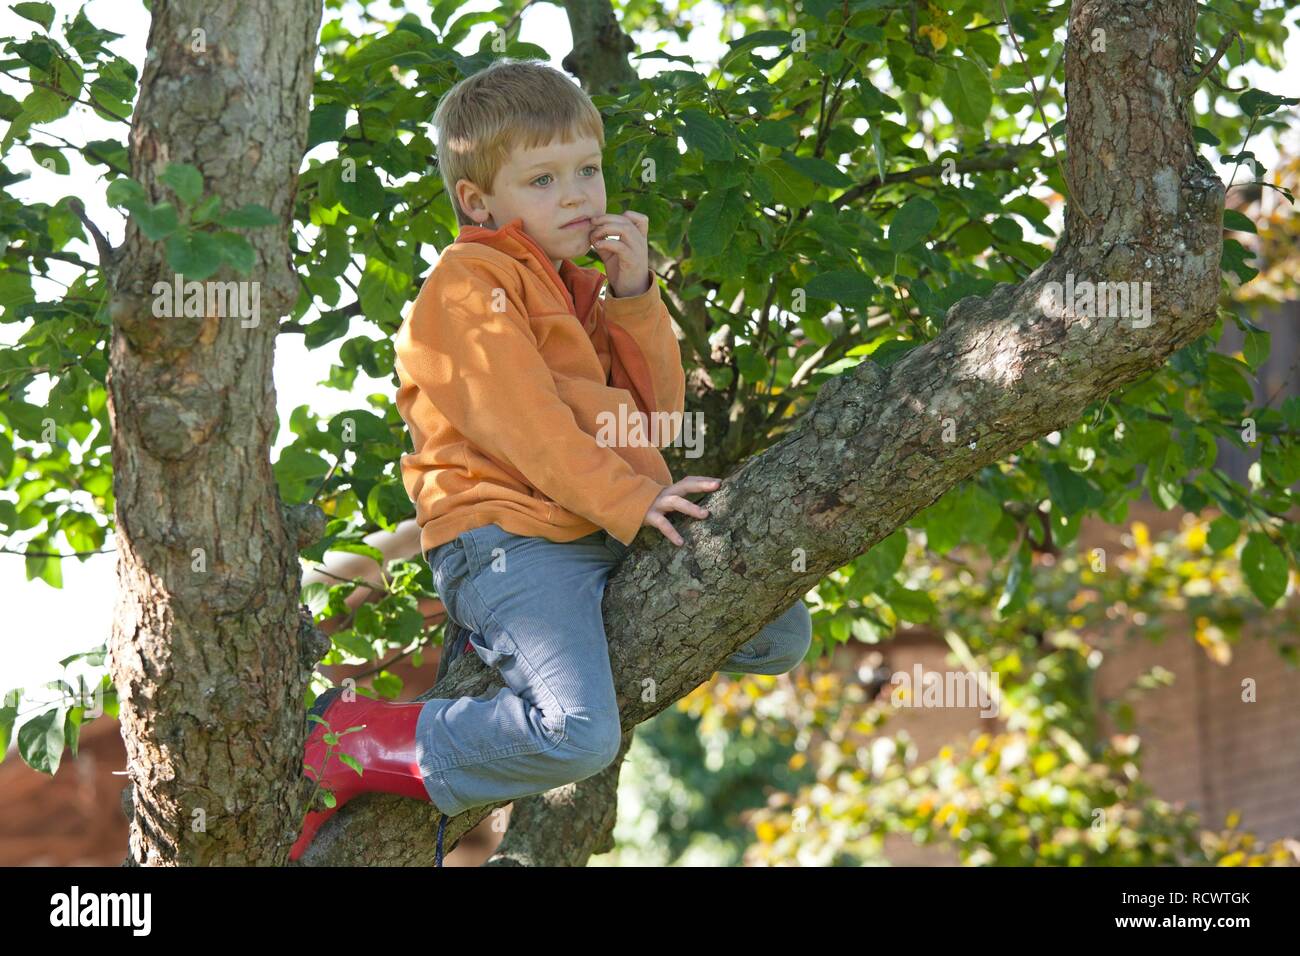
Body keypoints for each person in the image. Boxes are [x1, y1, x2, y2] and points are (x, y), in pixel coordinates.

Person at [289, 58, 812, 864]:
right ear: (478, 200)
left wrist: (634, 294)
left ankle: (575, 651)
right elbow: (527, 428)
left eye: (588, 170)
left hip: (597, 515)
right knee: (576, 737)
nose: (576, 195)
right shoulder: (469, 284)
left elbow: (657, 416)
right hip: (510, 537)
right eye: (541, 179)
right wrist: (634, 502)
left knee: (778, 631)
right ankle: (348, 738)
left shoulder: (574, 286)